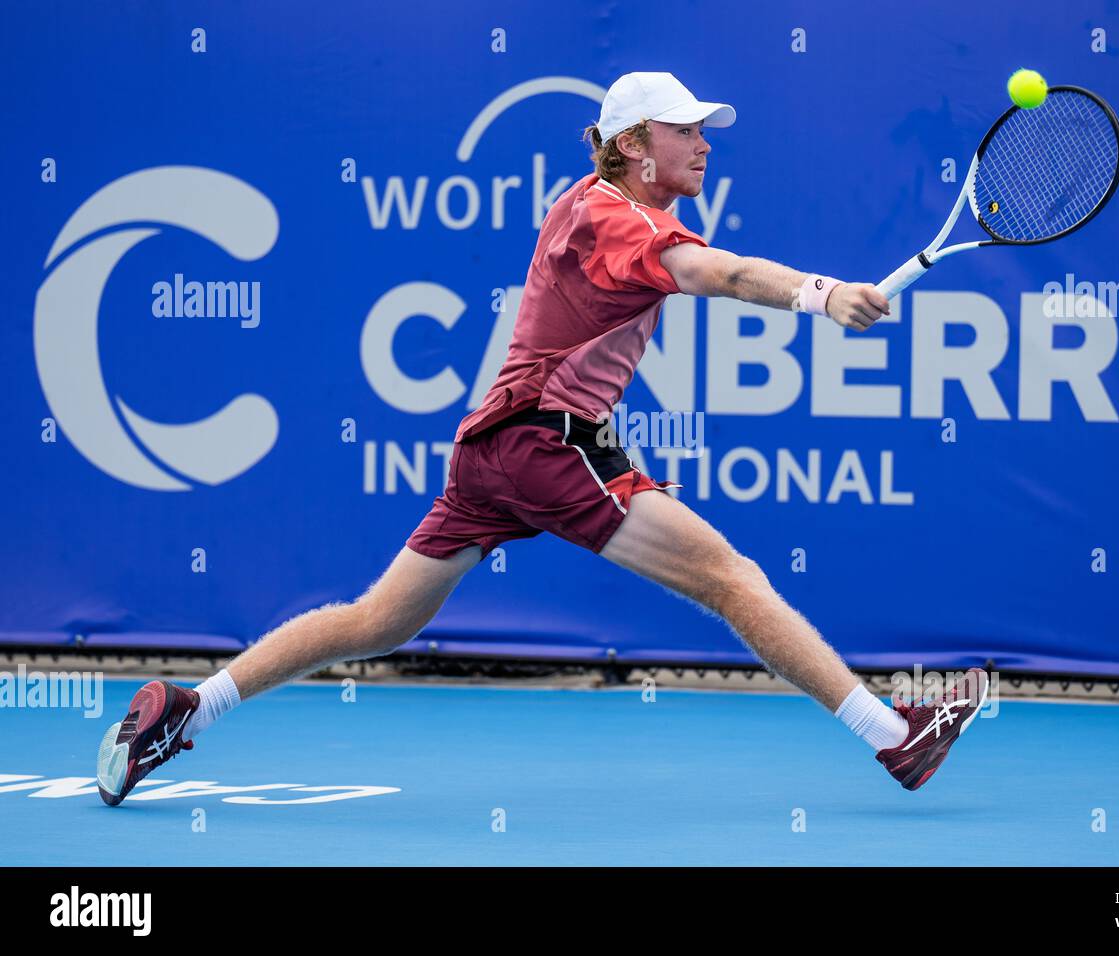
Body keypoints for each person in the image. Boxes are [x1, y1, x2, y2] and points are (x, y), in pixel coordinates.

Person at [96, 71, 987, 807]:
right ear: (635, 144)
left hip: (502, 451)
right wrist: (821, 295)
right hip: (540, 449)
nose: (705, 143)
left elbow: (631, 326)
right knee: (731, 578)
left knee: (377, 621)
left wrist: (619, 463)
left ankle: (190, 706)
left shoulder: (590, 206)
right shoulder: (621, 220)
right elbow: (722, 272)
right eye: (686, 130)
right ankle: (893, 736)